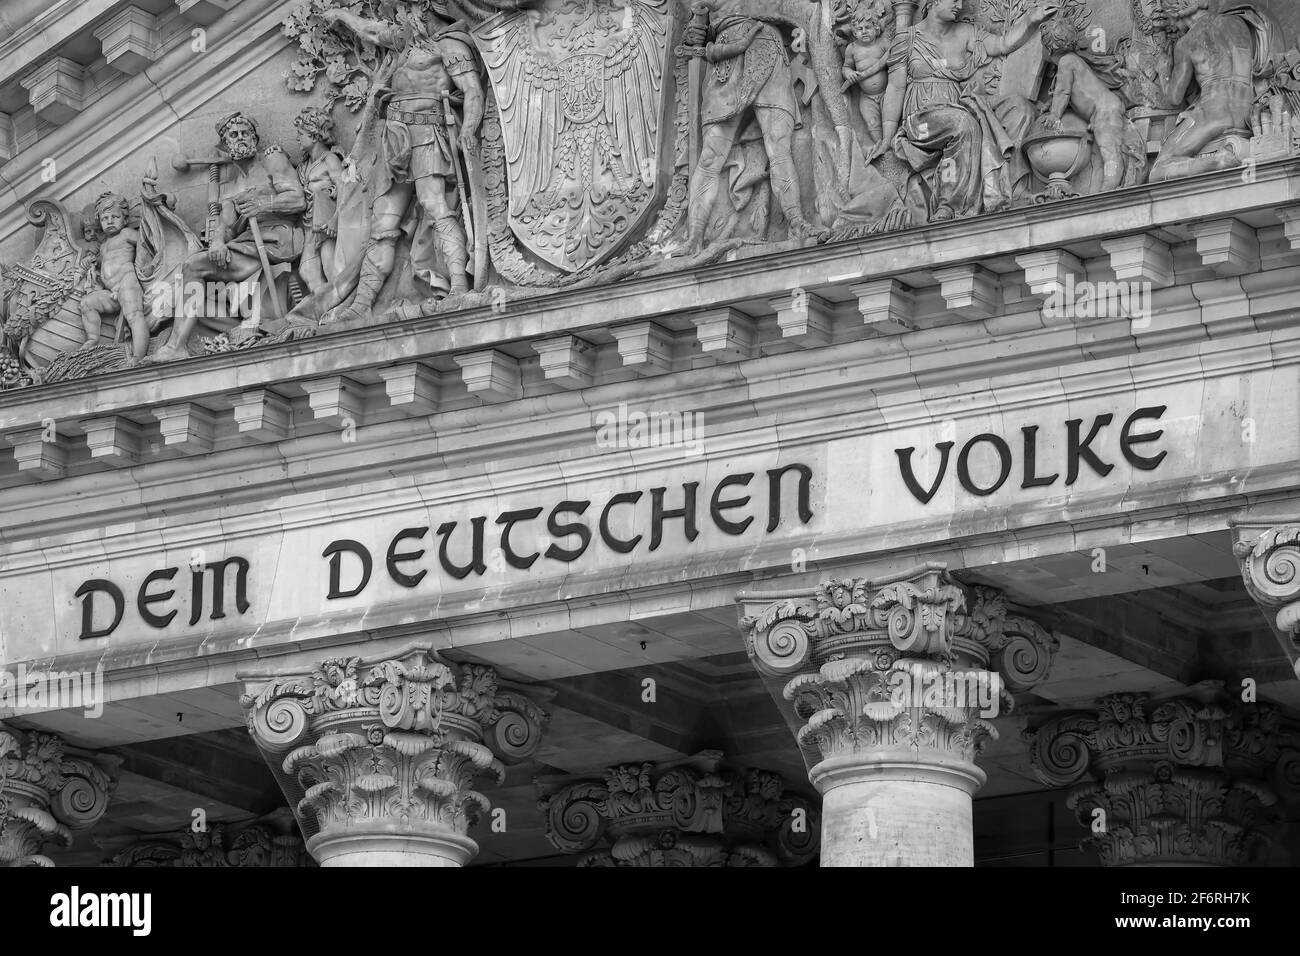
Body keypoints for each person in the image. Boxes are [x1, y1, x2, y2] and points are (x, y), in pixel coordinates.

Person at [322, 5, 482, 321]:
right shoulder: (405, 42)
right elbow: (371, 31)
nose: (403, 18)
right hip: (395, 140)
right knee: (383, 223)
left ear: (430, 12)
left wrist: (469, 129)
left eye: (412, 11)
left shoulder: (450, 45)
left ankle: (460, 285)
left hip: (427, 132)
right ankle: (362, 304)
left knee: (434, 204)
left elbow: (473, 92)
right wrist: (342, 16)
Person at [877, 0, 1059, 221]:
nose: (960, 5)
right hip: (921, 121)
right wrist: (887, 137)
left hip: (960, 106)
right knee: (962, 122)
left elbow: (1002, 44)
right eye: (953, 0)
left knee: (1019, 108)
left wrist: (1031, 19)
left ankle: (1008, 188)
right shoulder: (907, 39)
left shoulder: (965, 32)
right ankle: (949, 204)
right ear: (934, 2)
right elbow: (895, 88)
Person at [153, 112, 305, 361]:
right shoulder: (231, 186)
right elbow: (226, 224)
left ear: (255, 138)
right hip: (247, 243)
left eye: (246, 133)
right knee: (192, 266)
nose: (241, 138)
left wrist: (264, 203)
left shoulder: (272, 158)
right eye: (233, 135)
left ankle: (175, 346)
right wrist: (217, 241)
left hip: (277, 236)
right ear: (226, 145)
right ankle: (177, 346)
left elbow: (297, 198)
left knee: (195, 267)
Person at [78, 192, 150, 361]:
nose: (109, 221)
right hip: (111, 292)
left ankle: (139, 357)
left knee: (134, 315)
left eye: (115, 217)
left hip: (127, 282)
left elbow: (145, 243)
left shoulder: (126, 234)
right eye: (104, 218)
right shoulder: (103, 246)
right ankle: (92, 338)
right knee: (86, 303)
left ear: (125, 219)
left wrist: (143, 263)